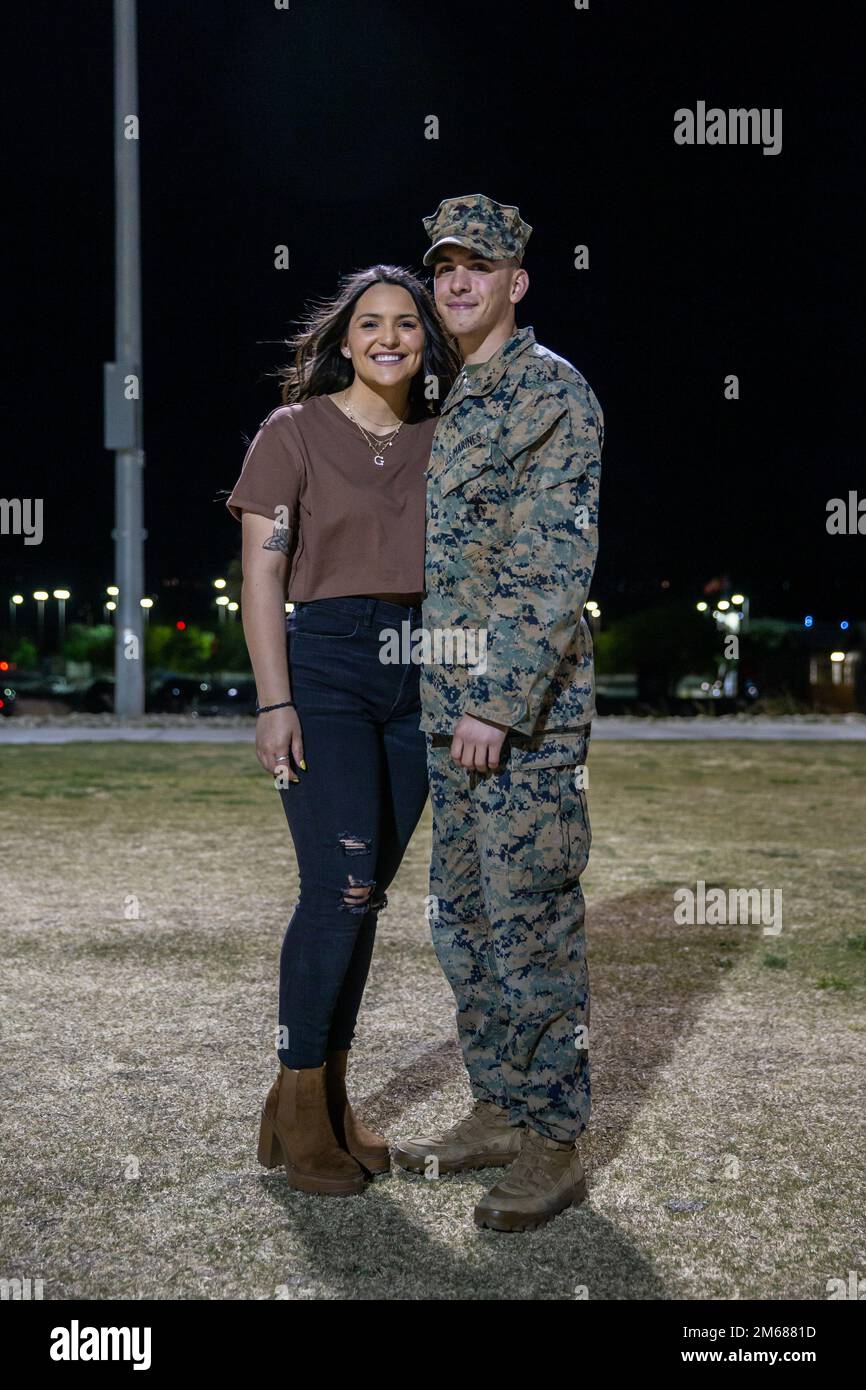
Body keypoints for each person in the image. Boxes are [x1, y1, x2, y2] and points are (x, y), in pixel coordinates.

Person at [393, 195, 604, 1232]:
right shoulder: (449, 397)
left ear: (518, 280)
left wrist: (497, 700)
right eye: (443, 269)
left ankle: (554, 1139)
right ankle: (496, 1107)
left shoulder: (550, 393)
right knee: (465, 924)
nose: (457, 284)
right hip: (445, 713)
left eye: (479, 266)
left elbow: (550, 564)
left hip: (520, 722)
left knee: (530, 930)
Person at [226, 266, 458, 1196]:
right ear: (346, 338)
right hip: (326, 666)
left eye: (408, 323)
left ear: (425, 341)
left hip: (424, 667)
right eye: (372, 323)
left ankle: (330, 1097)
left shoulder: (445, 438)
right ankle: (297, 1096)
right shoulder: (295, 432)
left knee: (366, 897)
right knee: (341, 886)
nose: (391, 337)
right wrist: (274, 700)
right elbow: (261, 576)